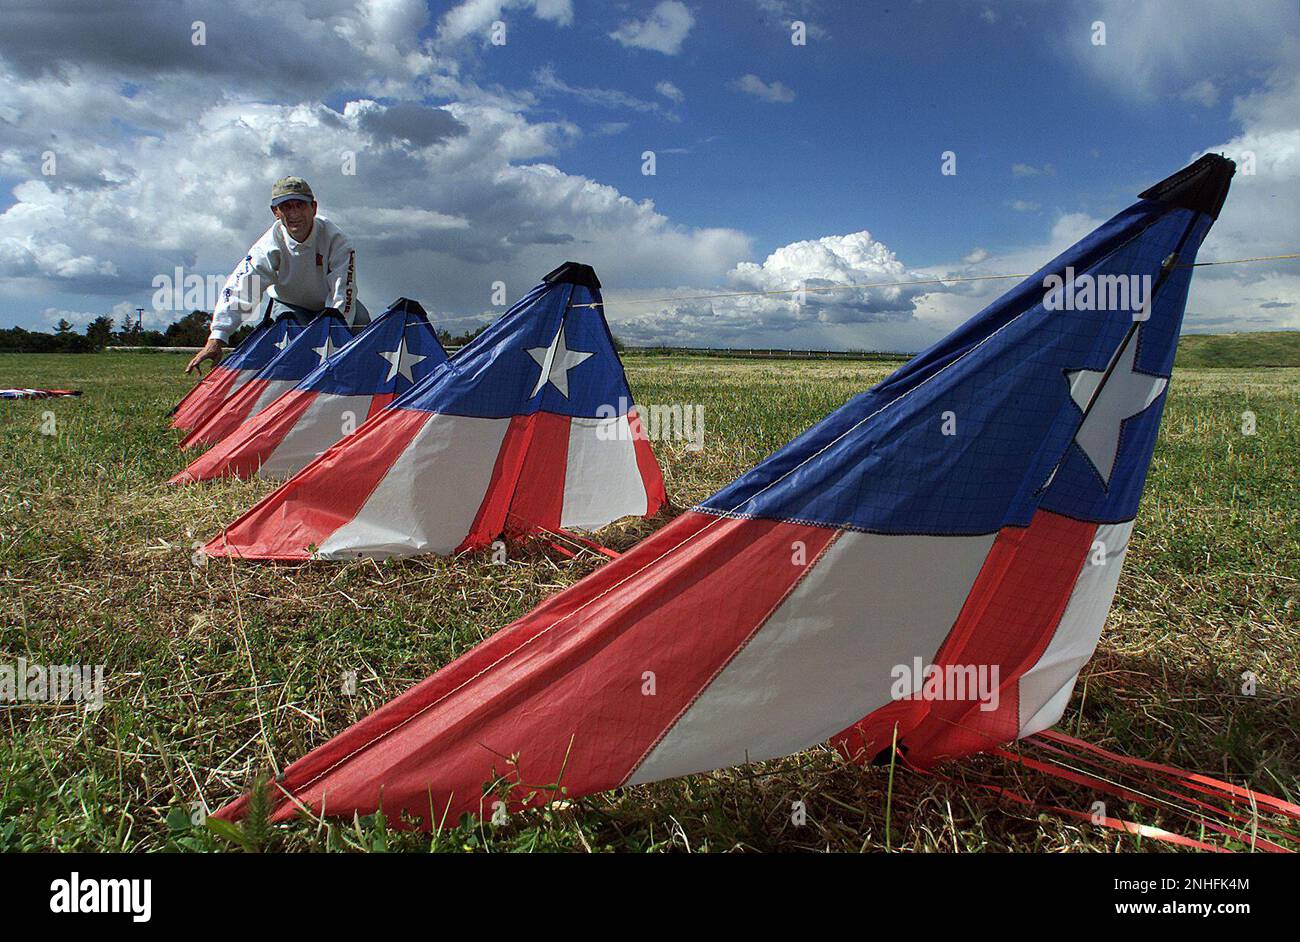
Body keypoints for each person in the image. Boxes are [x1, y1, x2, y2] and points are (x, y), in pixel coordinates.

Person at [185, 176, 368, 375]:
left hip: (331, 308)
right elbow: (242, 288)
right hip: (289, 307)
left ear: (313, 208)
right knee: (285, 344)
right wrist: (217, 338)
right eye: (286, 207)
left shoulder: (337, 240)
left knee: (360, 321)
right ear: (276, 212)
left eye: (300, 205)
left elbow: (343, 293)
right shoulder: (267, 246)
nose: (294, 213)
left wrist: (334, 340)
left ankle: (352, 381)